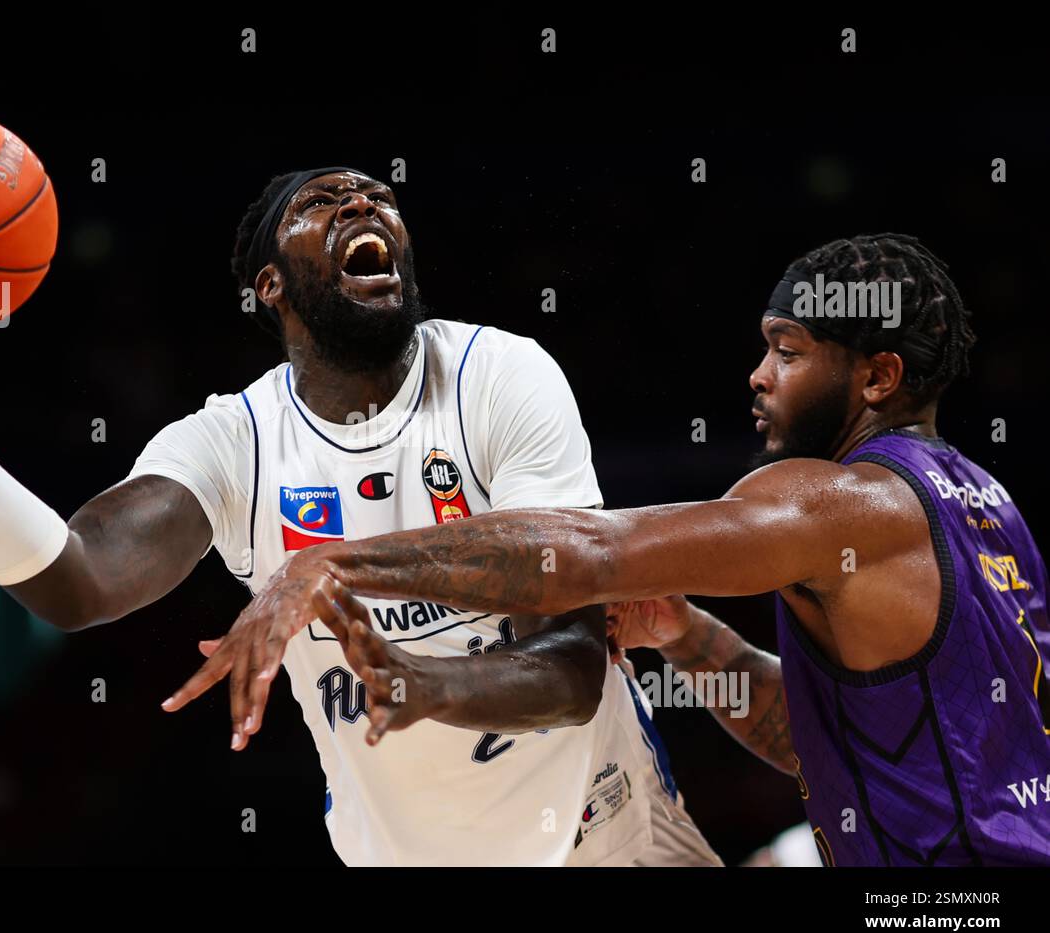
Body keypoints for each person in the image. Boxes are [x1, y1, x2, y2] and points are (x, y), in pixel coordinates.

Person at [0, 169, 719, 866]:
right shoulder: (234, 444)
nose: (363, 204)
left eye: (379, 196)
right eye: (323, 202)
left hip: (608, 833)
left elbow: (571, 670)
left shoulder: (499, 375)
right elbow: (72, 582)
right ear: (271, 286)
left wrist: (421, 682)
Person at [194, 234, 1050, 866]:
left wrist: (333, 561)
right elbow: (826, 745)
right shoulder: (986, 503)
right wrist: (687, 635)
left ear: (878, 378)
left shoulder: (837, 503)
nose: (758, 375)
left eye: (788, 352)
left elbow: (585, 555)